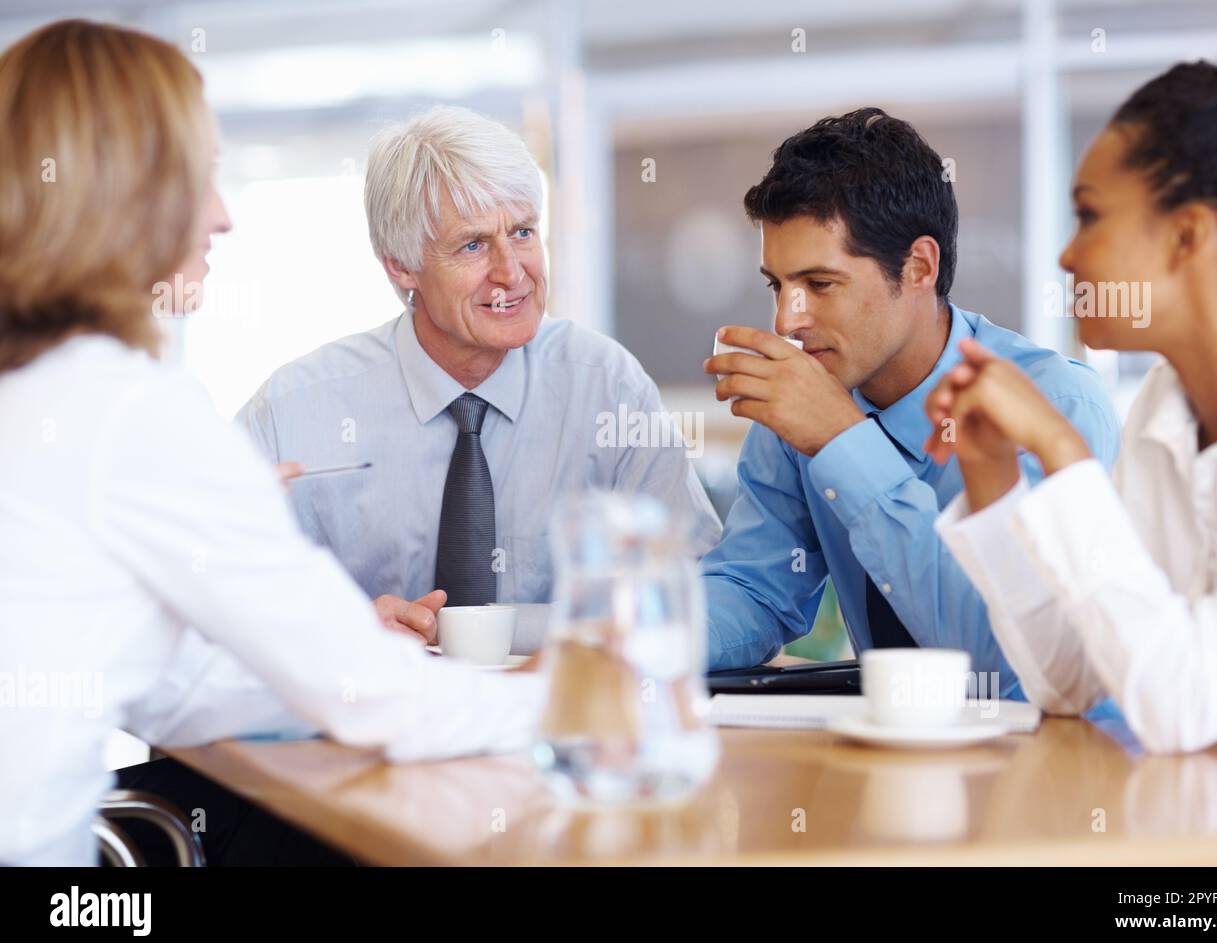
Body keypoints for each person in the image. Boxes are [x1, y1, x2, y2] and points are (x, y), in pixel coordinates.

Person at [0, 19, 539, 866]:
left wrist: (324, 656)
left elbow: (178, 693)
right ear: (125, 194)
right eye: (201, 176)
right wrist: (582, 702)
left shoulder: (41, 398)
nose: (221, 216)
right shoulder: (125, 410)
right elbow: (374, 703)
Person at [928, 12, 1217, 753]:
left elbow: (1181, 705)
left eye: (1089, 216)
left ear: (1187, 235)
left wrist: (1062, 450)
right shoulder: (1166, 409)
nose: (1066, 256)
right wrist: (992, 471)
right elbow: (1075, 678)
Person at [236, 106, 721, 647]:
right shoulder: (293, 412)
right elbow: (217, 599)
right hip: (367, 720)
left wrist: (529, 631)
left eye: (522, 231)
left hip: (557, 717)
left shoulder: (607, 387)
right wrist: (334, 631)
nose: (511, 272)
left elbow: (694, 587)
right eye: (472, 245)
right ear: (400, 264)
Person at [700, 108, 1120, 689]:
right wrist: (637, 645)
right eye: (779, 285)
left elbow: (1001, 661)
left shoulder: (1055, 406)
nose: (786, 319)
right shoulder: (801, 401)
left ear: (920, 266)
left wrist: (844, 443)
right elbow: (753, 587)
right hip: (885, 750)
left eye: (819, 285)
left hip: (1032, 758)